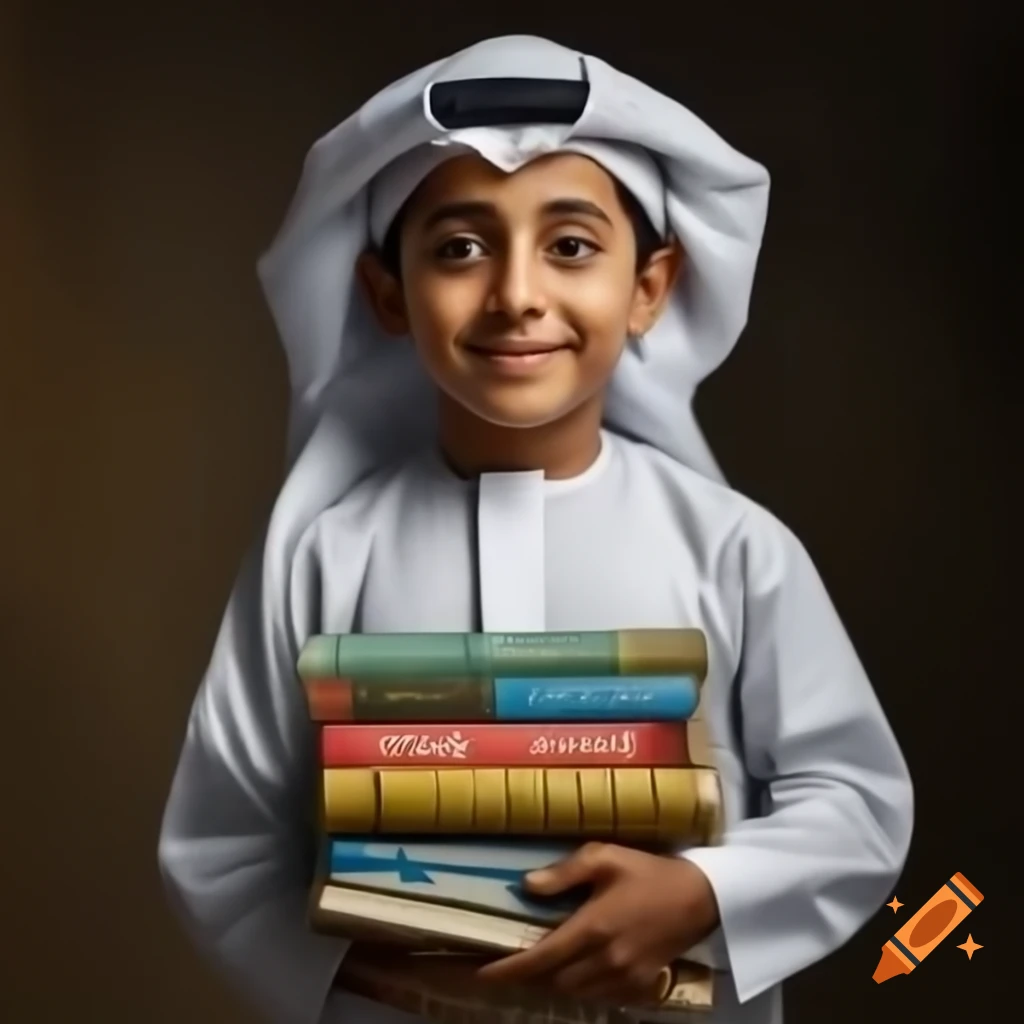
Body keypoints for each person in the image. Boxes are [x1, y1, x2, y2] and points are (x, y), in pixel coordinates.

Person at [157, 34, 914, 1024]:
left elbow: (855, 800)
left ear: (650, 287)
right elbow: (222, 844)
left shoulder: (735, 550)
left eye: (570, 246)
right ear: (386, 293)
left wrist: (702, 893)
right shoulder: (320, 558)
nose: (517, 295)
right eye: (460, 248)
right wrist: (380, 969)